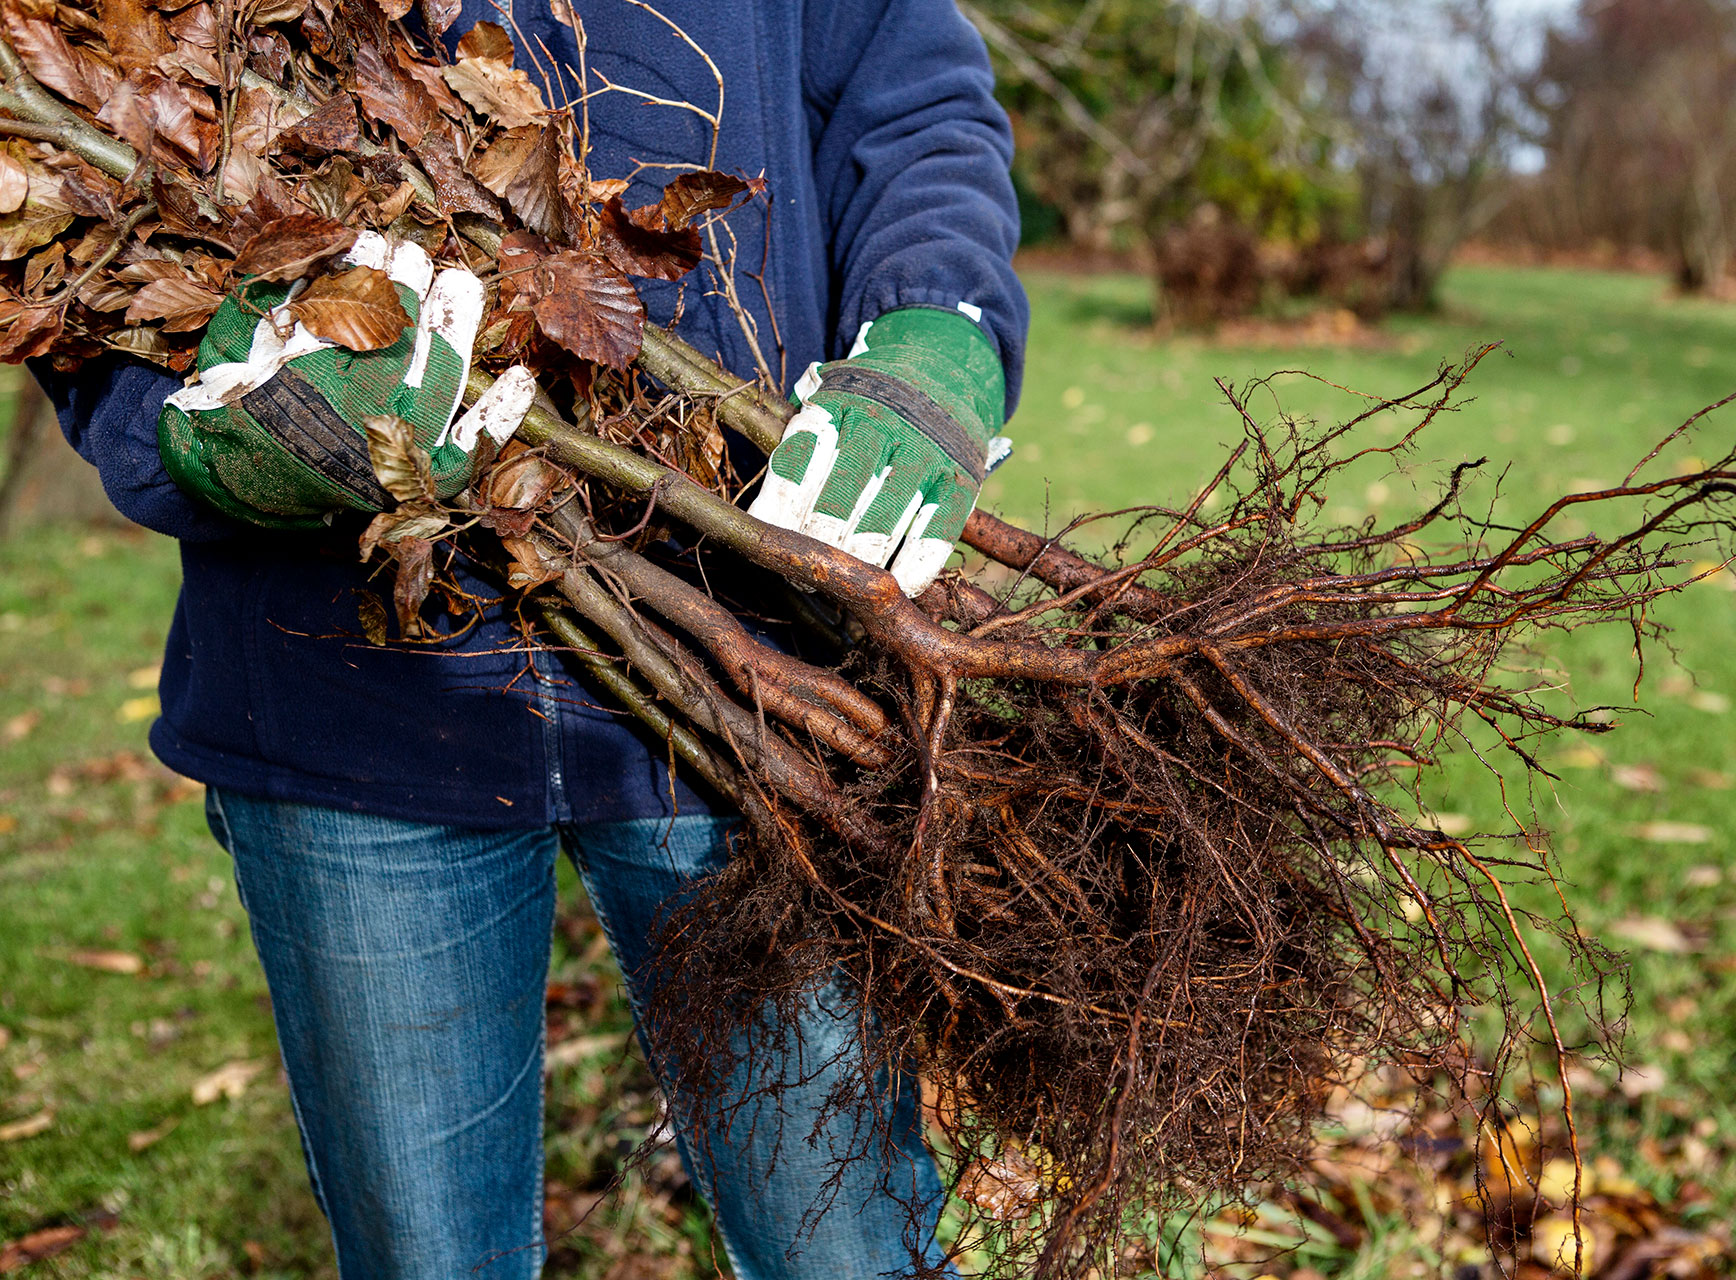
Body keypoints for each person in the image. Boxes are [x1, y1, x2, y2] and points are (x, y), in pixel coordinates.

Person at [34, 0, 1028, 1275]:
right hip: (347, 700)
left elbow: (915, 96)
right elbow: (77, 213)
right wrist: (192, 428)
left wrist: (935, 313)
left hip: (755, 654)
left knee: (851, 1244)